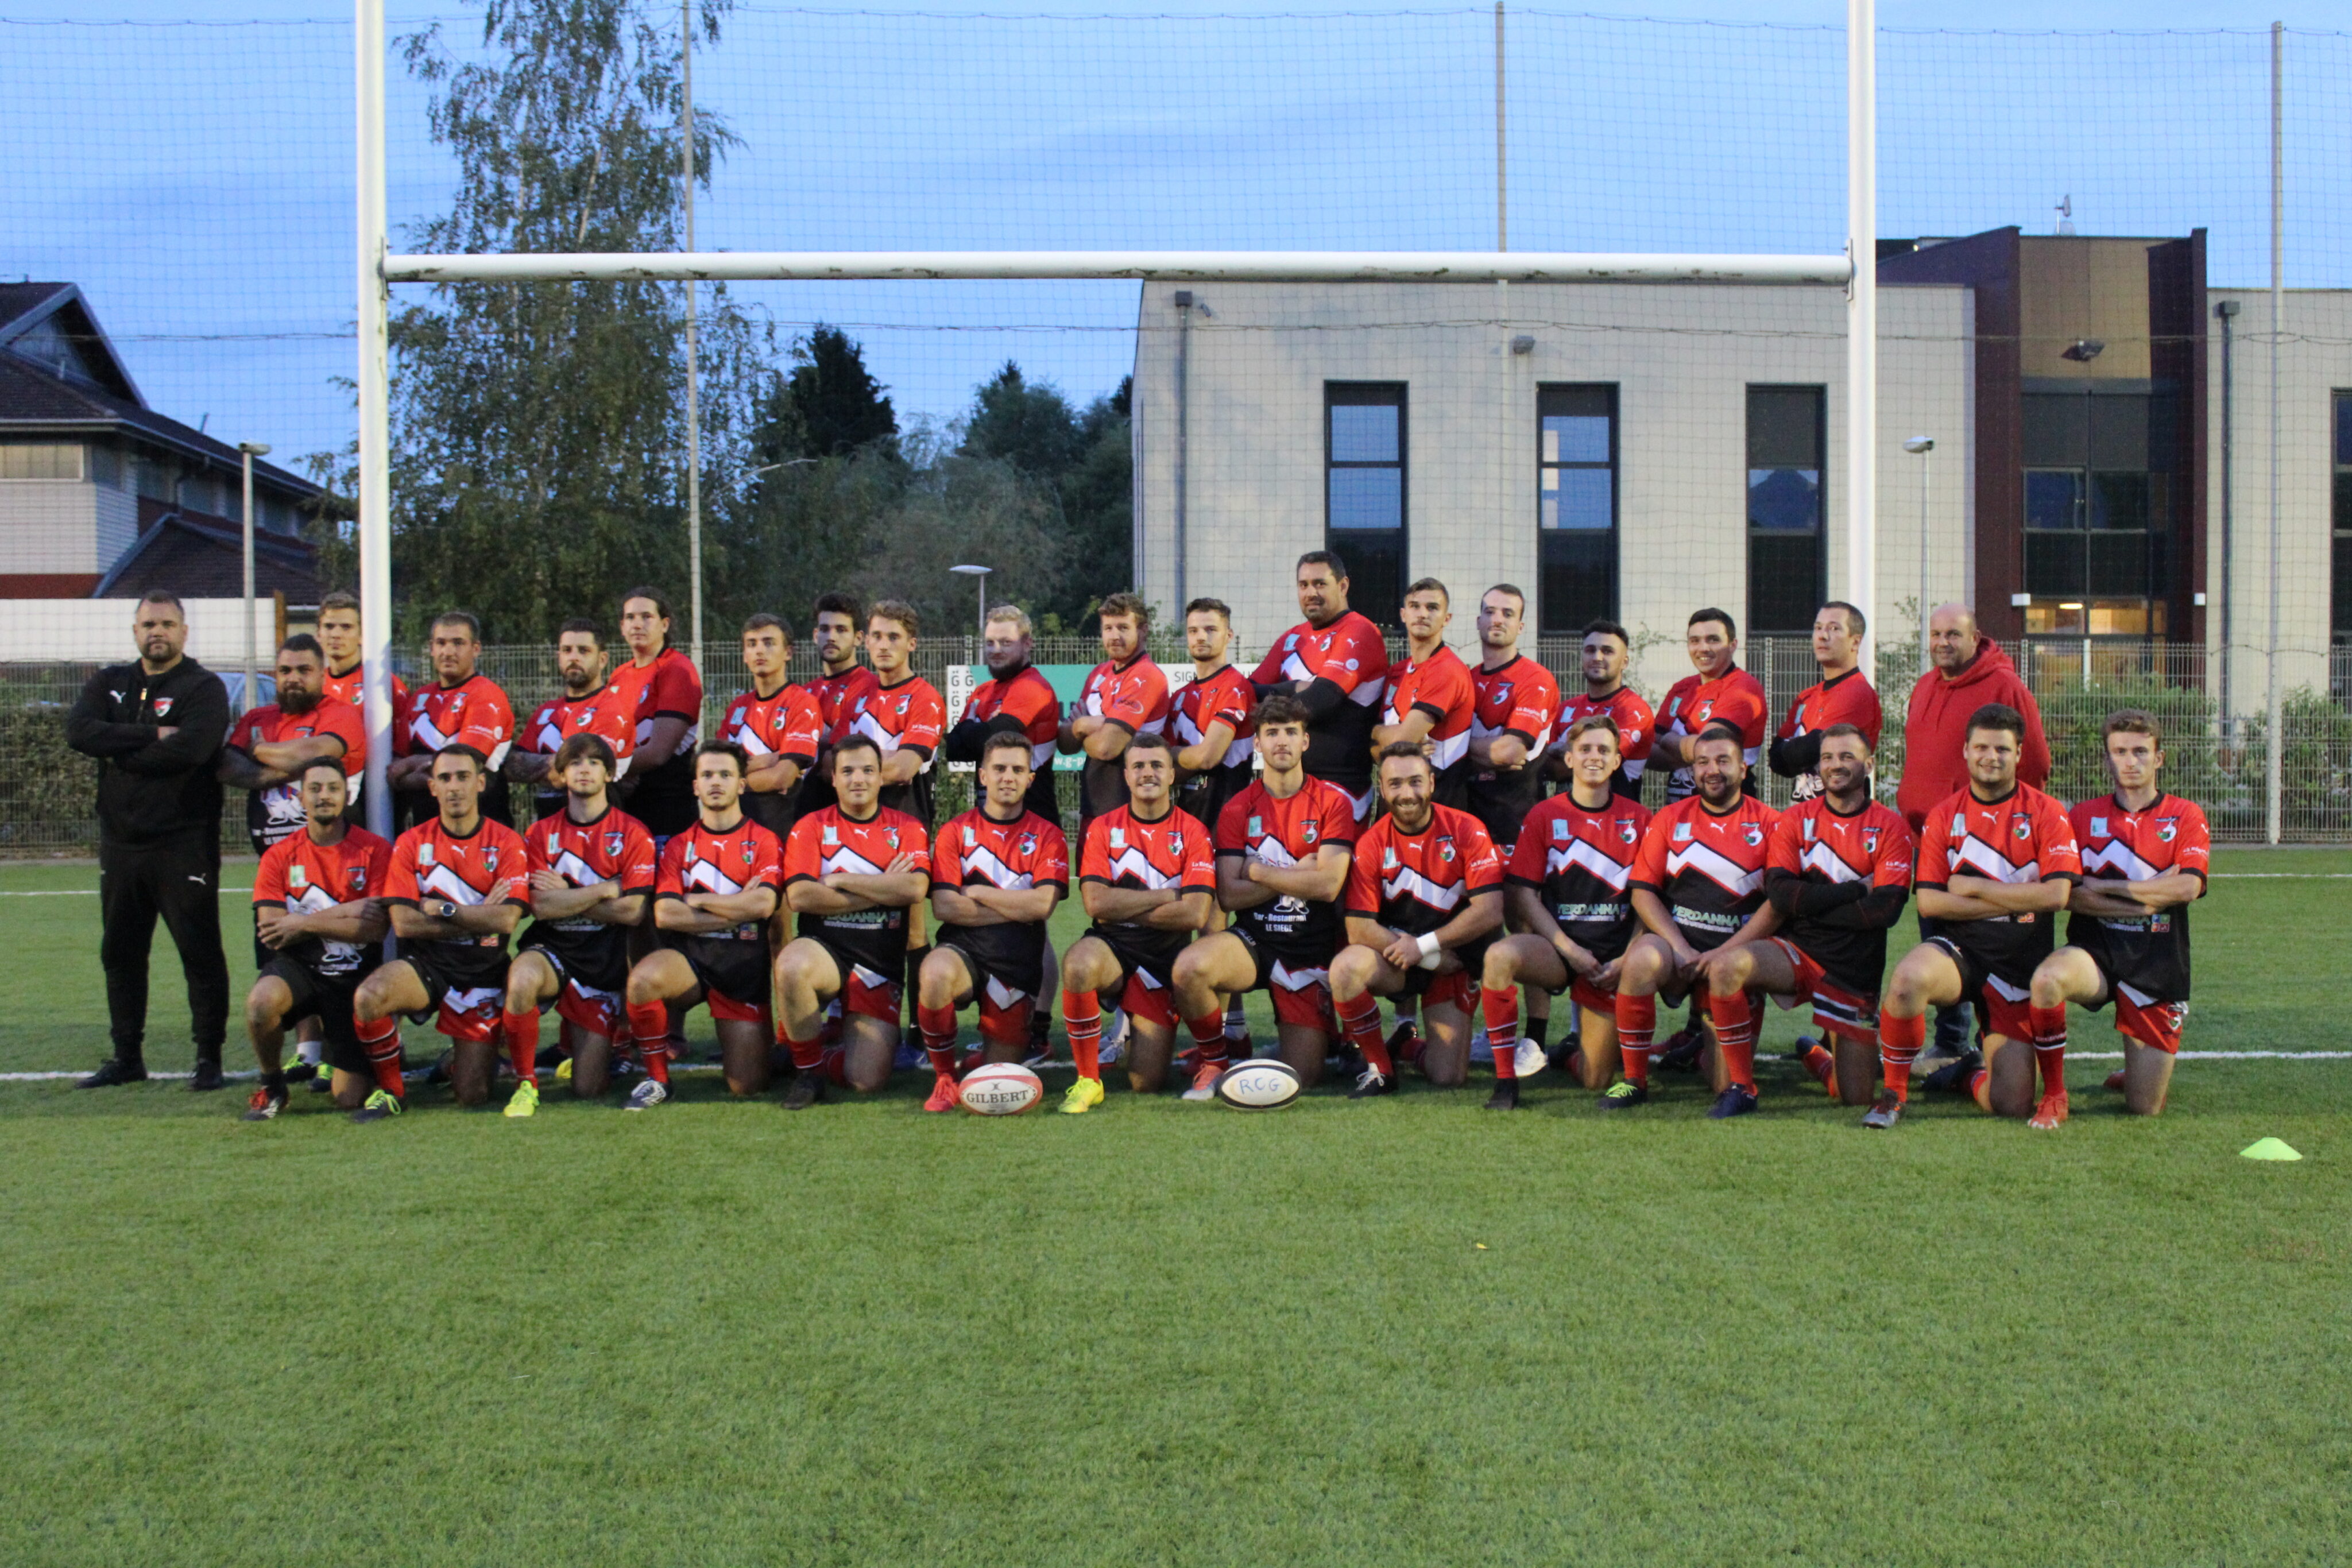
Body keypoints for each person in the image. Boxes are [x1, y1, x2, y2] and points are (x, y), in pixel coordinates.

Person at [1873, 703, 2080, 1131]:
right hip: (1961, 953)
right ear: (1966, 751)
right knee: (1908, 979)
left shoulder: (2047, 811)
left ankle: (1965, 1072)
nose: (1992, 756)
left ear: (2020, 754)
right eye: (1982, 747)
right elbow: (1931, 903)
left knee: (2011, 1103)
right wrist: (2022, 898)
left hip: (2019, 962)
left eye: (2003, 748)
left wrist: (1977, 888)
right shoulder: (1944, 815)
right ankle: (1893, 1095)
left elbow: (2057, 895)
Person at [66, 590, 234, 1090]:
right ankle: (127, 1057)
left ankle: (208, 1059)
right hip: (121, 845)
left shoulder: (203, 687)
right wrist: (152, 735)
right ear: (134, 631)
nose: (156, 632)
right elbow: (79, 731)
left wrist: (121, 749)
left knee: (199, 952)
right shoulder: (110, 681)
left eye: (166, 623)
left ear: (184, 632)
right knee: (120, 952)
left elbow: (195, 747)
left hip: (183, 843)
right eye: (147, 624)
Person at [1710, 723, 1914, 1110]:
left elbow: (1885, 910)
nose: (1835, 765)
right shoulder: (1795, 819)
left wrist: (1809, 904)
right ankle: (1742, 1087)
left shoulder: (1891, 826)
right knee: (1726, 968)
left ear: (1869, 764)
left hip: (1853, 972)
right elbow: (1781, 894)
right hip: (1796, 953)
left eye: (1847, 757)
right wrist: (1855, 890)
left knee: (1853, 1098)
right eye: (1827, 758)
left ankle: (1818, 1059)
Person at [1897, 602, 2055, 1078]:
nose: (1943, 642)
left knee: (1991, 935)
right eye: (1936, 633)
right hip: (1930, 840)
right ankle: (1950, 1042)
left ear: (1975, 637)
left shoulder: (2005, 685)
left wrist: (2004, 826)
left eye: (1953, 634)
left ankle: (1997, 1036)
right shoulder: (1925, 685)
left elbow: (2035, 762)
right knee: (1941, 937)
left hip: (1988, 843)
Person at [1169, 696, 1357, 1094]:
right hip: (1254, 941)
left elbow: (1328, 886)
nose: (1281, 741)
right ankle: (1215, 1060)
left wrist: (1255, 871)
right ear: (1257, 743)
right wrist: (1291, 872)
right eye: (1271, 733)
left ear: (1306, 741)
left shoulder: (1334, 802)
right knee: (1190, 968)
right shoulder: (1238, 808)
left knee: (1301, 1079)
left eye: (1291, 732)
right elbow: (1230, 894)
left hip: (1310, 950)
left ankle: (1320, 1039)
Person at [2033, 709, 2210, 1118]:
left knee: (2145, 1107)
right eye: (2119, 752)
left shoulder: (2186, 815)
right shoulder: (2080, 817)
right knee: (2047, 978)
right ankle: (2055, 1094)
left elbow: (2188, 887)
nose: (2130, 761)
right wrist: (2147, 898)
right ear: (2107, 758)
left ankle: (2135, 1073)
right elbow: (2069, 895)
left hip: (2157, 961)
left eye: (2140, 751)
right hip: (2096, 953)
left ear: (2158, 758)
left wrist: (2107, 885)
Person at [1606, 729, 1781, 1117]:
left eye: (1722, 761)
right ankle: (1635, 1080)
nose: (1712, 770)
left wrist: (1723, 952)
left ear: (1743, 766)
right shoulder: (1670, 818)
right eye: (1702, 762)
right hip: (1678, 950)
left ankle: (1699, 1045)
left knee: (1722, 1082)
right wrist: (1680, 947)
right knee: (1640, 958)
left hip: (1736, 957)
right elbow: (1643, 892)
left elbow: (1778, 905)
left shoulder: (1770, 822)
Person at [1477, 715, 1650, 1108]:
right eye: (1585, 749)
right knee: (1499, 956)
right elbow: (1524, 894)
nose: (1594, 756)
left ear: (1617, 761)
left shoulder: (1640, 819)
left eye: (1604, 750)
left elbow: (1648, 898)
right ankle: (1506, 1082)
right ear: (1568, 759)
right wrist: (1567, 948)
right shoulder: (1543, 815)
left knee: (1595, 1079)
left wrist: (1627, 958)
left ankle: (1564, 1053)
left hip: (1611, 962)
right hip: (1559, 953)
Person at [218, 634, 366, 1087]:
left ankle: (342, 1052)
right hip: (277, 865)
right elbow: (229, 767)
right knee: (283, 959)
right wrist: (294, 765)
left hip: (335, 862)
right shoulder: (257, 717)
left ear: (322, 674)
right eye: (285, 670)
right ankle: (305, 1053)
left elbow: (317, 754)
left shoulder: (341, 713)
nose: (294, 678)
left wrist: (262, 750)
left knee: (336, 960)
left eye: (304, 670)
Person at [357, 743, 532, 1118]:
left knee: (473, 1095)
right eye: (445, 778)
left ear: (481, 783)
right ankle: (392, 1090)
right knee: (369, 997)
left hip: (484, 970)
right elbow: (404, 922)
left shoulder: (506, 842)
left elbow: (506, 921)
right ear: (432, 787)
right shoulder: (411, 843)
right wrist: (479, 911)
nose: (454, 787)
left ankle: (456, 1059)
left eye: (463, 777)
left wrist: (445, 910)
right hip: (428, 967)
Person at [1329, 743, 1505, 1097]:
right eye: (1395, 784)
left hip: (1453, 964)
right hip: (1404, 959)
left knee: (1449, 1077)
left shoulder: (1467, 829)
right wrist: (1425, 954)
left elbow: (1490, 910)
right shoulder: (1372, 842)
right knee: (1345, 969)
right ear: (1382, 788)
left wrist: (1426, 947)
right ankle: (1382, 1069)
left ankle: (1408, 1047)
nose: (1406, 794)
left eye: (1415, 782)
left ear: (1432, 783)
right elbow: (1358, 928)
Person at [1058, 734, 1216, 1113]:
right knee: (1079, 964)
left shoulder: (1193, 830)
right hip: (1112, 947)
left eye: (1157, 765)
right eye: (1140, 766)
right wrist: (1164, 897)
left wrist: (1121, 905)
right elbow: (1095, 903)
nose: (1148, 773)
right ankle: (1088, 1079)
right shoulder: (1101, 828)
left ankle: (1131, 1024)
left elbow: (1195, 913)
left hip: (1162, 962)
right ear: (1126, 775)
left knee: (1145, 1082)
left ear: (1172, 774)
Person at [774, 735, 931, 1108]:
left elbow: (914, 888)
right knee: (793, 965)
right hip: (825, 953)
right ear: (833, 778)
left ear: (881, 778)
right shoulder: (810, 827)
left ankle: (823, 1045)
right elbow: (801, 897)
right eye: (847, 771)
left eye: (867, 770)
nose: (857, 778)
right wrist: (883, 885)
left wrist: (842, 881)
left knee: (866, 1081)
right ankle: (808, 1071)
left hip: (879, 965)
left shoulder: (907, 827)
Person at [624, 742, 785, 1105]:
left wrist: (696, 900)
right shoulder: (680, 846)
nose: (716, 782)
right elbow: (666, 915)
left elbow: (763, 904)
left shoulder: (763, 840)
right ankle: (658, 1081)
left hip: (742, 969)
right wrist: (736, 906)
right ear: (695, 786)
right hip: (691, 963)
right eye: (708, 775)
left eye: (726, 775)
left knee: (749, 1087)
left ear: (741, 784)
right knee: (643, 980)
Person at [916, 732, 1069, 1112]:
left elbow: (1041, 906)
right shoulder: (955, 831)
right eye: (999, 768)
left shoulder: (1048, 835)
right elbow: (945, 907)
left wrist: (978, 892)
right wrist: (1014, 905)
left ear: (1031, 778)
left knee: (998, 1074)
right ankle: (944, 1079)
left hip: (1017, 965)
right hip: (963, 952)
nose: (1008, 776)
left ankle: (980, 1057)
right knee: (934, 973)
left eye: (1018, 769)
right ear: (983, 775)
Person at [504, 734, 658, 1104]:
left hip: (603, 963)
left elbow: (633, 911)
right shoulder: (539, 834)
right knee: (522, 977)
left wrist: (566, 894)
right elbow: (539, 906)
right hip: (552, 949)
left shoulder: (634, 833)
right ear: (560, 774)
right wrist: (603, 889)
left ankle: (593, 1044)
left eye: (593, 763)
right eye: (574, 762)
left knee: (589, 1089)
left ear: (609, 775)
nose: (584, 769)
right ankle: (526, 1085)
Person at [239, 758, 395, 1120]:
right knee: (261, 1004)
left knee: (349, 1098)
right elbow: (272, 928)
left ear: (348, 794)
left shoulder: (374, 850)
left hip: (354, 977)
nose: (324, 796)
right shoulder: (279, 855)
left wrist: (304, 924)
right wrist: (350, 912)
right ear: (299, 797)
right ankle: (273, 1086)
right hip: (300, 967)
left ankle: (344, 1052)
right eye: (315, 789)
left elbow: (375, 929)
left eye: (333, 788)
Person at [1463, 583, 1561, 1062]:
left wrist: (1457, 748)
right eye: (1488, 612)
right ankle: (1493, 1028)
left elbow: (1510, 751)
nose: (1496, 619)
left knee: (1524, 924)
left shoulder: (1535, 678)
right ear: (1477, 622)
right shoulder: (1463, 677)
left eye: (1507, 613)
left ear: (1522, 625)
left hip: (1517, 820)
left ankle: (1536, 1038)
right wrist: (1487, 752)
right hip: (1467, 820)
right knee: (1477, 927)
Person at [845, 599, 946, 1030]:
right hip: (854, 826)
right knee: (853, 919)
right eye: (876, 636)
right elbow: (833, 763)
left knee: (912, 931)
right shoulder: (857, 696)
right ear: (864, 640)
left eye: (893, 637)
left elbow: (905, 768)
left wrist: (855, 770)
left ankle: (921, 1032)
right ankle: (852, 1017)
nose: (883, 645)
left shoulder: (924, 696)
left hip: (905, 826)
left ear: (912, 644)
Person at [1249, 550, 1391, 822]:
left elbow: (1319, 702)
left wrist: (1290, 691)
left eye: (1320, 584)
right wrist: (1296, 686)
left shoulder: (1360, 631)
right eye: (1304, 585)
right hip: (1291, 787)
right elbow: (1246, 693)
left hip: (1341, 791)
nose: (1311, 592)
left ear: (1343, 586)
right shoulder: (1292, 638)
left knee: (1326, 865)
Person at [388, 611, 514, 828]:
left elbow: (463, 764)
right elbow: (395, 772)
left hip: (482, 834)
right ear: (431, 648)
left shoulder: (486, 694)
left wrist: (412, 767)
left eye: (458, 643)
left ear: (476, 649)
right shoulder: (419, 698)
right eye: (441, 643)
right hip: (428, 833)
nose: (448, 652)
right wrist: (409, 770)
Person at [509, 620, 637, 821]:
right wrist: (560, 765)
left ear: (603, 659)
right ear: (559, 657)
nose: (574, 657)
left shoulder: (612, 708)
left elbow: (590, 770)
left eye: (584, 651)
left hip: (594, 825)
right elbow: (510, 767)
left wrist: (538, 767)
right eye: (567, 650)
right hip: (546, 827)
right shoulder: (546, 712)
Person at [945, 604, 1062, 822]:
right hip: (989, 818)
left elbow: (994, 741)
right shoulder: (983, 691)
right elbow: (954, 750)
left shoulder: (1032, 686)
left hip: (1032, 821)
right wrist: (981, 732)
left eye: (1006, 643)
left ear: (1027, 644)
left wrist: (970, 728)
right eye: (990, 643)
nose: (996, 650)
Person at [1065, 591, 1170, 824]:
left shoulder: (1147, 675)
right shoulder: (1098, 674)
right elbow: (1065, 743)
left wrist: (1080, 728)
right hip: (1094, 804)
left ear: (1143, 630)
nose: (1114, 636)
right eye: (1108, 628)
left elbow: (1106, 748)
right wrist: (1085, 725)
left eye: (1123, 628)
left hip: (1128, 808)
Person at [612, 587, 704, 846]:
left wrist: (602, 770)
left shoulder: (677, 670)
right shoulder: (618, 676)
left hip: (667, 805)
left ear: (664, 624)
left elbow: (658, 753)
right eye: (630, 618)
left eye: (646, 617)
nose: (637, 624)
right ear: (621, 626)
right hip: (625, 801)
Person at [1372, 578, 1474, 805]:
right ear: (1403, 614)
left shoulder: (1447, 669)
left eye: (1432, 608)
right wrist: (1382, 736)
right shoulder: (1397, 672)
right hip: (1393, 804)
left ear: (1447, 619)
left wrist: (1379, 733)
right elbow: (1373, 750)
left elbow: (1401, 741)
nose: (1422, 614)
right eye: (1415, 606)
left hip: (1438, 805)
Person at [1768, 602, 1883, 803]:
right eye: (1818, 628)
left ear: (1855, 642)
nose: (1822, 636)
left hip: (1841, 819)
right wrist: (1796, 751)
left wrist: (1794, 749)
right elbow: (1777, 762)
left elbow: (1812, 749)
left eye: (1834, 628)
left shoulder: (1857, 692)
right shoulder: (1806, 696)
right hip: (1803, 817)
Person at [721, 612, 823, 838]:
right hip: (735, 829)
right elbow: (716, 770)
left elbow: (782, 778)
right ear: (745, 655)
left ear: (788, 652)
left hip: (782, 829)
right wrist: (770, 759)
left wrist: (732, 780)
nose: (759, 650)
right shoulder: (737, 708)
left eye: (769, 643)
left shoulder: (802, 703)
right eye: (752, 644)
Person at [1652, 607, 1768, 804]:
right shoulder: (1681, 688)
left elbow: (1709, 748)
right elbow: (1647, 747)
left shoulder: (1743, 687)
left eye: (1713, 640)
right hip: (1679, 813)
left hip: (1728, 812)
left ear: (1733, 645)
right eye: (1695, 641)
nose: (1703, 648)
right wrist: (1686, 750)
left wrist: (1667, 741)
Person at [1168, 597, 1258, 839]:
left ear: (1229, 635)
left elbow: (1209, 757)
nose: (1201, 637)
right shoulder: (1178, 697)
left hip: (1226, 818)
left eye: (1210, 630)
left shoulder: (1235, 686)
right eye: (1193, 630)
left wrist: (1171, 755)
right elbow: (1163, 769)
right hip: (1186, 818)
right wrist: (1170, 759)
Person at [795, 590, 880, 819]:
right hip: (803, 807)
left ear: (859, 638)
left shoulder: (871, 687)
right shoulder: (805, 692)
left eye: (841, 630)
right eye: (825, 630)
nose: (831, 637)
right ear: (815, 635)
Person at [1550, 620, 1653, 802]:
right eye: (1590, 650)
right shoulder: (1566, 708)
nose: (1597, 657)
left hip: (1614, 821)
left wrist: (1558, 750)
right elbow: (1545, 764)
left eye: (1607, 651)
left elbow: (1599, 760)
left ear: (1625, 662)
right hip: (1564, 817)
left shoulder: (1634, 709)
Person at [315, 587, 409, 717]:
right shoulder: (314, 684)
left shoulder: (384, 684)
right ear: (318, 634)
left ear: (362, 635)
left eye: (346, 627)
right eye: (329, 627)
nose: (336, 634)